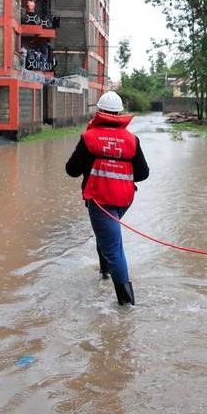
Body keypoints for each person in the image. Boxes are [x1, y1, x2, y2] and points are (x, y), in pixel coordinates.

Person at [65, 91, 149, 305]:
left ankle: (127, 305)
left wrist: (93, 160)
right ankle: (104, 272)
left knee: (113, 248)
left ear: (99, 112)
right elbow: (142, 174)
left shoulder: (89, 138)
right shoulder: (132, 140)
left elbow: (72, 170)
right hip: (124, 201)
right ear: (119, 113)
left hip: (100, 202)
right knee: (106, 236)